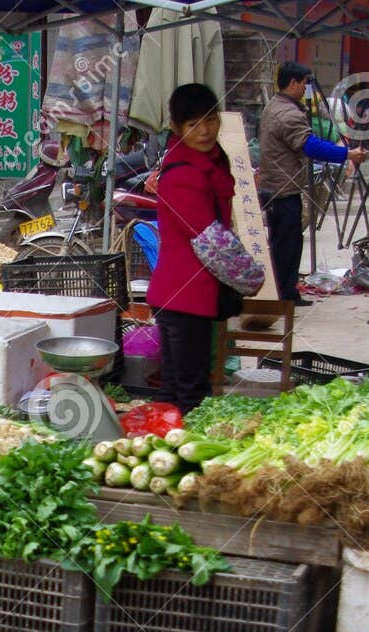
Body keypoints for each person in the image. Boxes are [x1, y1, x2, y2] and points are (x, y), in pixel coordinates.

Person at [148, 84, 235, 413]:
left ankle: (165, 447)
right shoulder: (183, 174)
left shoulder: (208, 163)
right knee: (189, 391)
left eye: (211, 120)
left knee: (179, 386)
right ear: (176, 127)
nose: (205, 131)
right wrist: (248, 276)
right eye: (193, 124)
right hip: (184, 294)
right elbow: (210, 238)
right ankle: (180, 455)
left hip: (191, 293)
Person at [257, 62, 352, 306]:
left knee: (284, 240)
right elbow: (310, 146)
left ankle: (283, 289)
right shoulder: (288, 114)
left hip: (277, 185)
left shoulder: (274, 106)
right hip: (283, 188)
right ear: (293, 83)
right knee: (287, 243)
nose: (306, 88)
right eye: (304, 83)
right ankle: (284, 293)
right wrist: (346, 155)